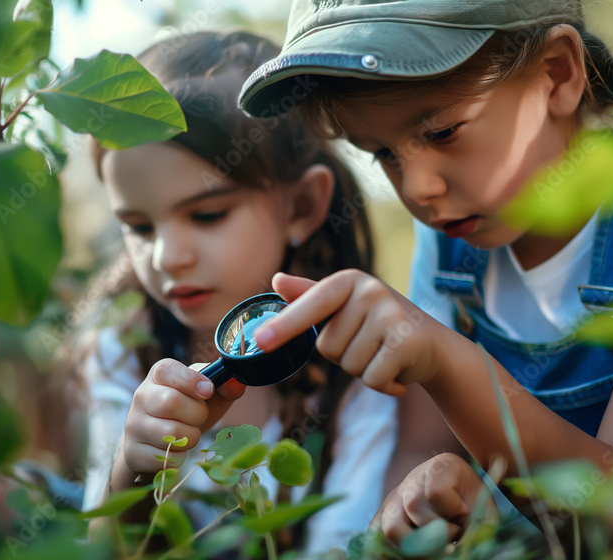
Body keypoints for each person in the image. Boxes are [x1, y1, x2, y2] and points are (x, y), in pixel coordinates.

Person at [235, 0, 613, 557]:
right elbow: (420, 448)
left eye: (442, 132)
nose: (417, 189)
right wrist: (427, 493)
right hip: (558, 527)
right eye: (383, 154)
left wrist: (445, 359)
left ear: (557, 75)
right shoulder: (452, 243)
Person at [73, 30, 397, 554]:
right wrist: (134, 468)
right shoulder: (122, 349)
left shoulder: (357, 358)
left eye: (207, 215)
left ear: (301, 207)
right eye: (139, 227)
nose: (166, 257)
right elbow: (107, 549)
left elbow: (344, 545)